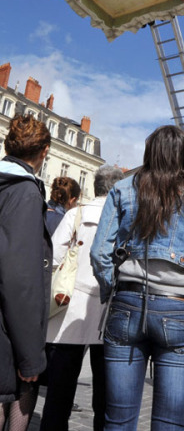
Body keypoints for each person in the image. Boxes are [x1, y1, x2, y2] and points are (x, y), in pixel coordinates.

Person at [90, 125, 184, 431]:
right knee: (170, 422)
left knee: (119, 420)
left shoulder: (124, 188)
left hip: (126, 304)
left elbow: (100, 252)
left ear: (149, 152)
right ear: (183, 155)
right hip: (178, 306)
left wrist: (111, 288)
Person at [40, 165, 125, 431]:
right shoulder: (124, 219)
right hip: (108, 312)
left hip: (70, 311)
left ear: (96, 186)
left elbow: (53, 258)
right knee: (105, 396)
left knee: (58, 394)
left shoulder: (76, 214)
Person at [0, 115, 52, 431]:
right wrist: (31, 355)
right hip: (6, 326)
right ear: (44, 152)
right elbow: (20, 278)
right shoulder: (25, 193)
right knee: (19, 396)